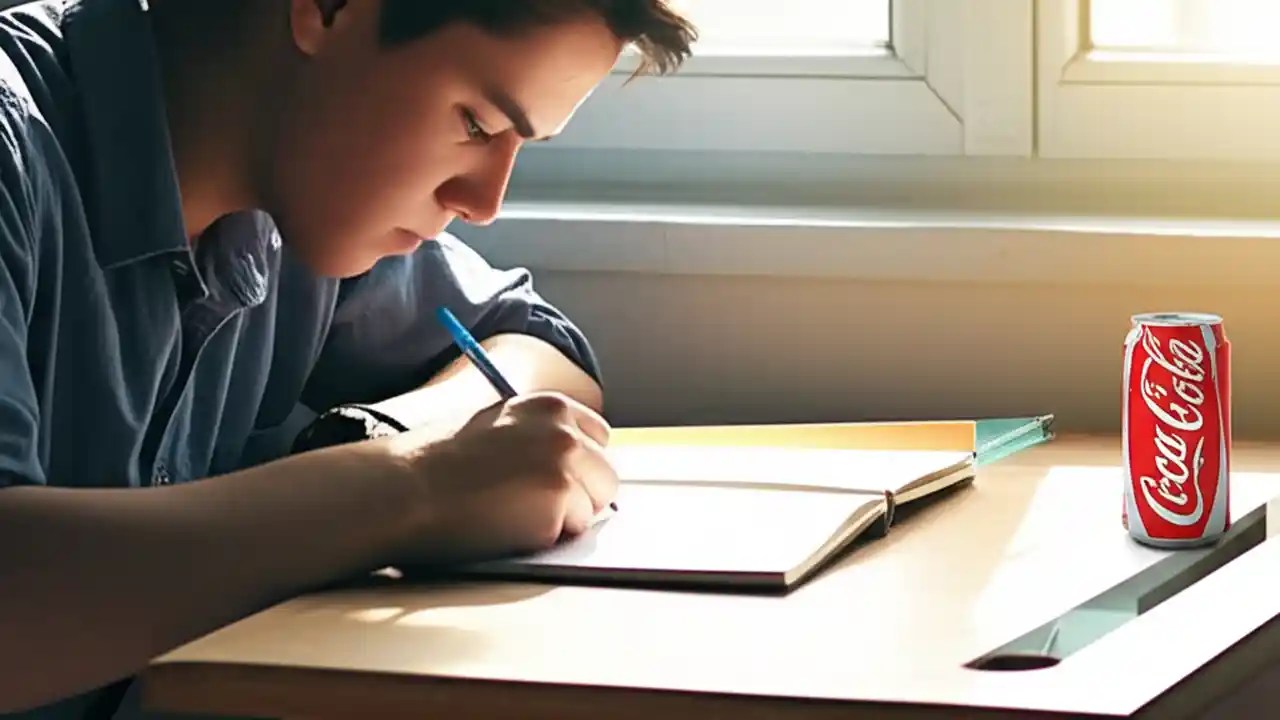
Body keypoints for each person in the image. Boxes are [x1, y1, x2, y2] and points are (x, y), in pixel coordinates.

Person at [0, 0, 696, 716]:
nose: (485, 202)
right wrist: (415, 487)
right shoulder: (16, 148)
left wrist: (393, 436)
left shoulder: (299, 203)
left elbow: (542, 346)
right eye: (476, 125)